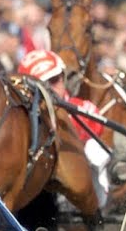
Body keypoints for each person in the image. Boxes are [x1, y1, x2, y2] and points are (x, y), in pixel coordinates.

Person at [17, 50, 111, 209]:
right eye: (42, 85)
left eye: (54, 80)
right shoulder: (24, 122)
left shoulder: (83, 108)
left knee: (97, 152)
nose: (50, 89)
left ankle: (98, 206)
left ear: (63, 77)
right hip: (42, 192)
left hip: (85, 182)